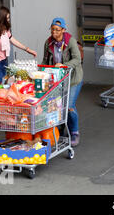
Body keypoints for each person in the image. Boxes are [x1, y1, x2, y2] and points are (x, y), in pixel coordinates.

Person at [42, 18, 83, 147]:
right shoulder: (48, 43)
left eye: (57, 30)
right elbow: (45, 60)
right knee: (56, 105)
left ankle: (74, 132)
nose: (54, 32)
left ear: (63, 30)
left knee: (69, 106)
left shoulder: (70, 41)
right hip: (57, 79)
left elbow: (77, 59)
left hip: (73, 78)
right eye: (52, 29)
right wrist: (42, 73)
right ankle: (59, 129)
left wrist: (64, 65)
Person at [0, 6, 37, 86]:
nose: (8, 20)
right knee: (2, 86)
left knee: (5, 86)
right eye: (7, 18)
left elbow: (12, 40)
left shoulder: (5, 29)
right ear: (1, 18)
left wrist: (27, 49)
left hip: (4, 62)